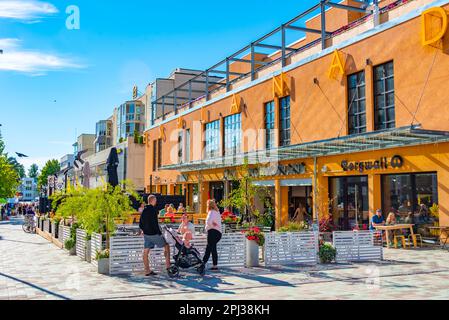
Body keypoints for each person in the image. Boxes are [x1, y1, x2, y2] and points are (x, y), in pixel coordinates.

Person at [139, 195, 171, 276]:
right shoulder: (153, 210)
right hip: (153, 234)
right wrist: (159, 233)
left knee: (146, 251)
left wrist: (144, 230)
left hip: (146, 234)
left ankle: (147, 271)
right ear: (152, 201)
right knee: (166, 245)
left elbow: (140, 224)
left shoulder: (144, 210)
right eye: (155, 200)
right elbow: (155, 223)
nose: (156, 202)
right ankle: (168, 266)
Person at [203, 199, 222, 271]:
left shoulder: (211, 212)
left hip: (212, 232)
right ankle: (208, 263)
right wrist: (213, 224)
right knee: (212, 248)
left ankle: (205, 263)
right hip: (218, 233)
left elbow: (208, 221)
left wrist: (210, 224)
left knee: (210, 248)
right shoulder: (217, 212)